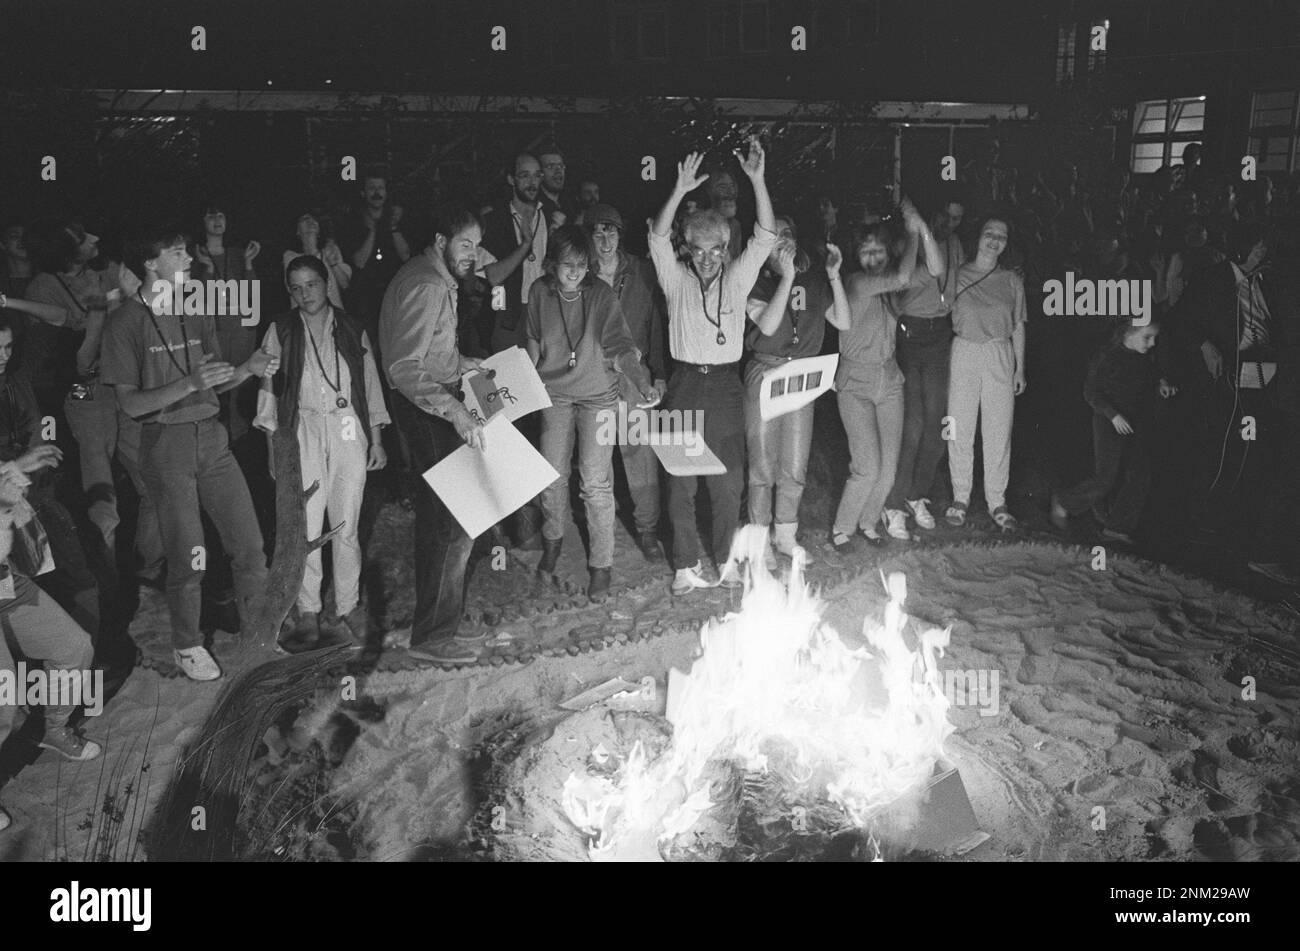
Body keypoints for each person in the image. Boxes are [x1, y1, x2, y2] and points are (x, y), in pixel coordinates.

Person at [100, 227, 276, 681]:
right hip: (164, 445)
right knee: (190, 555)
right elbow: (131, 403)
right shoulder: (123, 323)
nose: (186, 258)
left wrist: (248, 370)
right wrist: (189, 384)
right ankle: (186, 644)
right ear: (150, 264)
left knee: (250, 546)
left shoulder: (194, 309)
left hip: (213, 439)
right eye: (175, 251)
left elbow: (214, 378)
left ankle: (258, 637)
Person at [647, 138, 777, 595]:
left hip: (725, 385)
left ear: (726, 248)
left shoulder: (738, 280)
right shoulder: (675, 281)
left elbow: (766, 236)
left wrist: (757, 180)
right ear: (688, 250)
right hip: (684, 383)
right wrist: (679, 191)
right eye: (698, 250)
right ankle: (685, 565)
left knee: (727, 482)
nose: (706, 259)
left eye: (715, 250)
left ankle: (725, 560)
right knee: (680, 483)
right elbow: (657, 238)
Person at [256, 256, 389, 649]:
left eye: (311, 284)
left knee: (346, 524)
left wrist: (377, 438)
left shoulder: (351, 327)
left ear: (326, 282)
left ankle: (347, 606)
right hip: (303, 429)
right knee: (306, 525)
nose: (305, 294)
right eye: (295, 288)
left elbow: (370, 384)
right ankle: (308, 609)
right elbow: (268, 393)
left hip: (348, 426)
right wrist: (273, 449)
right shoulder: (280, 330)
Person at [524, 225, 659, 601]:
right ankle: (553, 540)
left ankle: (602, 564)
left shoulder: (599, 294)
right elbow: (534, 340)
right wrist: (521, 387)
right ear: (552, 264)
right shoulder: (538, 291)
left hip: (599, 396)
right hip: (555, 395)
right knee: (552, 475)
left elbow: (621, 346)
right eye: (568, 265)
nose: (575, 273)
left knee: (595, 482)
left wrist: (642, 380)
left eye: (582, 266)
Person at [379, 205, 488, 664]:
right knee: (452, 520)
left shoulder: (433, 276)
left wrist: (462, 365)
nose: (474, 255)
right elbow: (404, 366)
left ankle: (439, 624)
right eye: (465, 243)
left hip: (432, 400)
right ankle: (432, 638)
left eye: (477, 245)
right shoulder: (425, 284)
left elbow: (428, 350)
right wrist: (456, 412)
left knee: (449, 519)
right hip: (425, 408)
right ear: (442, 240)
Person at [0, 456, 103, 830]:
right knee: (4, 695)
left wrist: (16, 468)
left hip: (5, 584)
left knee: (72, 647)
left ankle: (52, 728)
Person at [744, 215, 839, 562]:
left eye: (787, 234)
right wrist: (785, 277)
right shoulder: (753, 279)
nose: (782, 241)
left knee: (795, 464)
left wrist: (833, 275)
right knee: (762, 465)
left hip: (802, 374)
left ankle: (785, 535)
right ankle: (758, 540)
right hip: (766, 373)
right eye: (774, 236)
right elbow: (768, 326)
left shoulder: (813, 279)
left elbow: (841, 320)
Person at [827, 208, 922, 553]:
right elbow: (903, 276)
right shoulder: (856, 283)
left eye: (878, 251)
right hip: (855, 383)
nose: (872, 257)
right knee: (867, 467)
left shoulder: (886, 291)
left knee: (888, 470)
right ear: (857, 255)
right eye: (866, 251)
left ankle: (868, 522)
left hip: (889, 379)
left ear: (887, 252)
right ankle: (842, 528)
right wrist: (914, 232)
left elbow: (907, 280)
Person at [586, 203, 668, 561]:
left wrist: (660, 373)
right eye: (598, 231)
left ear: (620, 234)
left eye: (612, 231)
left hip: (634, 377)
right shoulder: (579, 272)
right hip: (592, 379)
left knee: (638, 456)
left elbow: (656, 325)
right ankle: (600, 541)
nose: (605, 239)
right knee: (596, 462)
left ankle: (647, 528)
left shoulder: (641, 272)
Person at [1051, 321, 1176, 544]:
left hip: (1135, 422)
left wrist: (1162, 382)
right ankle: (1064, 502)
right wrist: (1112, 415)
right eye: (1147, 337)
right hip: (1109, 420)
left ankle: (1118, 527)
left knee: (1140, 476)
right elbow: (1090, 391)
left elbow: (1151, 372)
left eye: (1155, 338)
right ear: (1129, 333)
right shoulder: (1109, 356)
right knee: (1105, 478)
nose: (1153, 343)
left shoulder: (1144, 355)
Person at [882, 197, 962, 539]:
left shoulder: (955, 243)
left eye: (958, 218)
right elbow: (934, 269)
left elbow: (953, 275)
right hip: (910, 336)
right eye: (947, 214)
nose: (952, 223)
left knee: (937, 425)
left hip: (940, 336)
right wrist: (918, 226)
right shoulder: (906, 242)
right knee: (911, 427)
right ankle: (893, 504)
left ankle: (917, 495)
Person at [944, 215, 1027, 532]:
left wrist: (1021, 367)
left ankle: (997, 501)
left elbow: (1018, 325)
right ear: (977, 237)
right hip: (964, 350)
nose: (994, 240)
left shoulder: (1011, 280)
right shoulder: (957, 275)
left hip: (999, 353)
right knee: (958, 426)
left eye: (1001, 236)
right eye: (989, 233)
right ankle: (960, 497)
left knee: (998, 429)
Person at [282, 211, 351, 309]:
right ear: (297, 230)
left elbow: (345, 284)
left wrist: (333, 264)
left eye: (314, 219)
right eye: (304, 219)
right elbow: (291, 287)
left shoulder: (331, 249)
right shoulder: (290, 256)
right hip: (303, 319)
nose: (310, 222)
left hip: (334, 318)